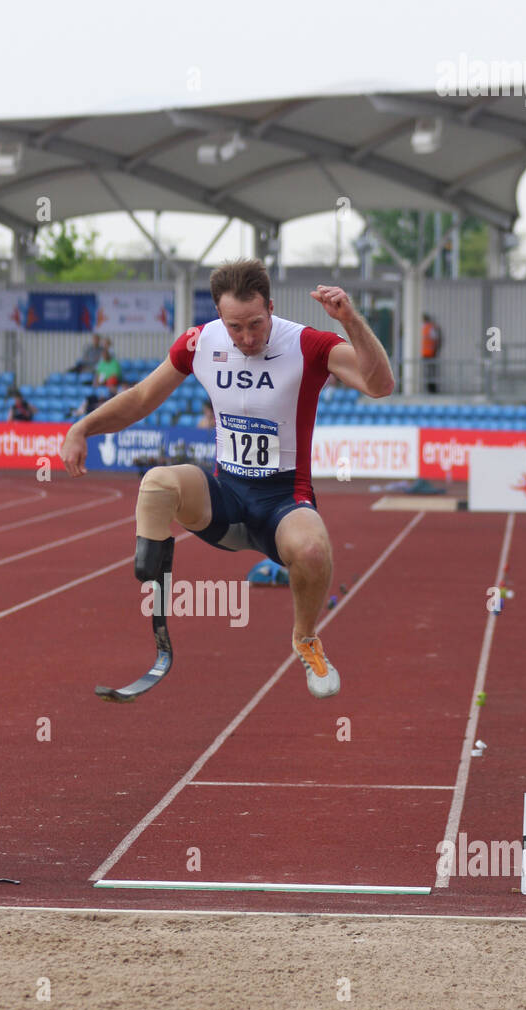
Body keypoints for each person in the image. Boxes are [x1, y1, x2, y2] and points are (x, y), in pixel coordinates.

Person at [61, 258, 394, 698]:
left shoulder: (309, 345)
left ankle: (306, 640)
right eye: (235, 327)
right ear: (220, 317)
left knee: (313, 550)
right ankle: (156, 603)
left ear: (271, 307)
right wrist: (81, 427)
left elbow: (380, 384)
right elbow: (142, 397)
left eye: (256, 324)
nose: (247, 338)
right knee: (158, 483)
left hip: (282, 503)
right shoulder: (200, 343)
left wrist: (351, 321)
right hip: (225, 499)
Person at [421, 313, 441, 394]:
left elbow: (435, 340)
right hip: (427, 353)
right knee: (429, 373)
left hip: (430, 354)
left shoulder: (429, 328)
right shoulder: (427, 327)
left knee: (430, 373)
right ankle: (430, 388)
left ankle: (432, 389)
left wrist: (435, 350)